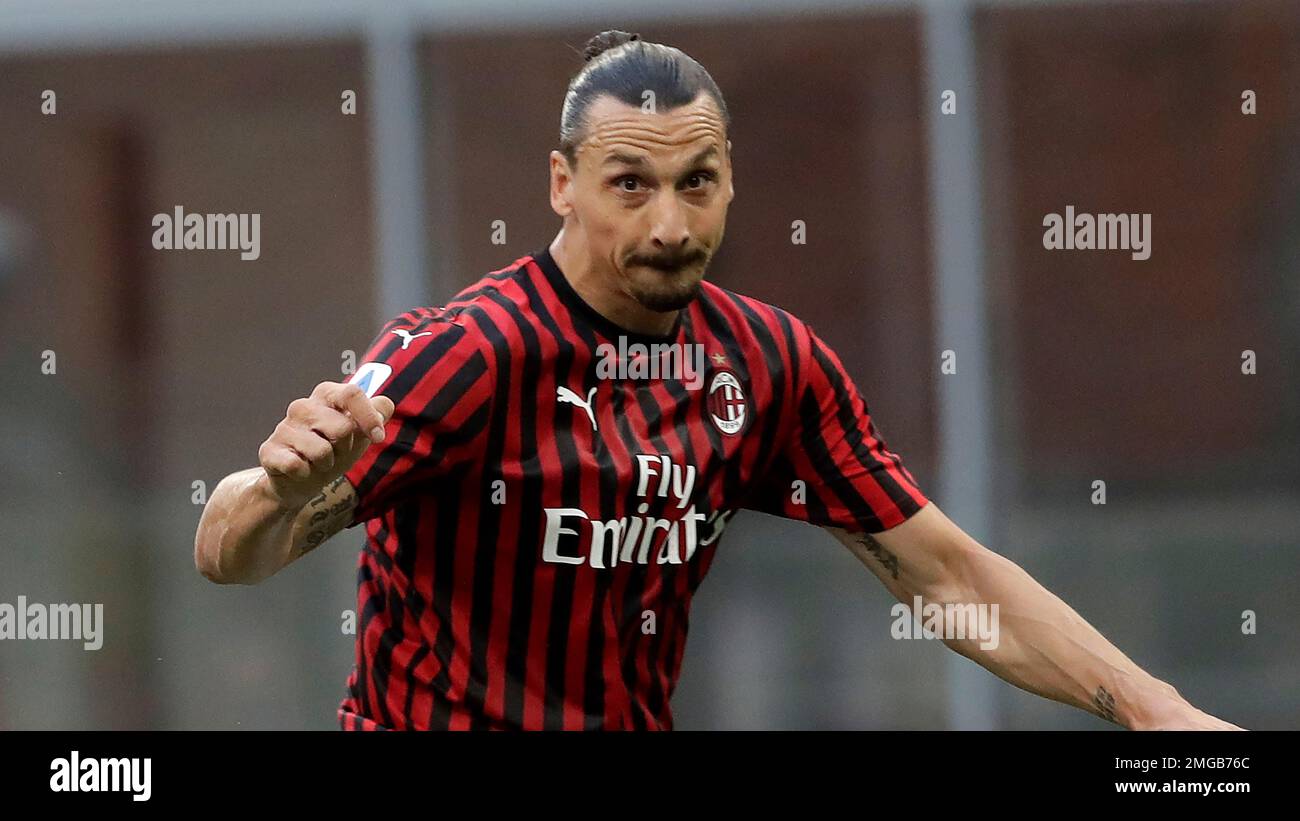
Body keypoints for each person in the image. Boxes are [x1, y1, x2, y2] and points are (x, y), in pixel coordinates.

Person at [194, 30, 1240, 731]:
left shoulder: (767, 364)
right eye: (629, 184)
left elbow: (947, 576)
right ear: (562, 185)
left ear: (732, 177)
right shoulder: (469, 353)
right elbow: (228, 551)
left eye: (696, 182)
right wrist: (278, 487)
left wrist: (1161, 714)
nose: (668, 223)